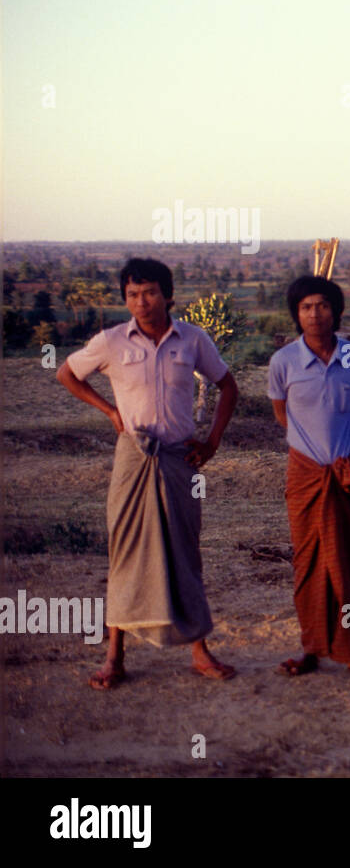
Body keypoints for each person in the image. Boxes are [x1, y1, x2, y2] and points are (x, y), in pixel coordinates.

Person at [56, 258, 239, 689]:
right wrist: (109, 410)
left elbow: (228, 387)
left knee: (185, 548)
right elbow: (67, 373)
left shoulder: (192, 340)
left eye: (150, 292)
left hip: (180, 460)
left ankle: (199, 650)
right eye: (133, 295)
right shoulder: (111, 342)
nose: (142, 302)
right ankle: (114, 657)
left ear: (168, 295)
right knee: (125, 551)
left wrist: (210, 443)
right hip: (132, 460)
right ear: (126, 299)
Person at [268, 276, 350, 678]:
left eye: (322, 306)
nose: (314, 314)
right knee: (309, 564)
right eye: (306, 307)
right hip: (306, 476)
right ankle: (312, 649)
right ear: (296, 314)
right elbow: (281, 413)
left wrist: (339, 453)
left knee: (348, 562)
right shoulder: (283, 362)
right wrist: (310, 450)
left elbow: (346, 406)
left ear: (336, 311)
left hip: (346, 473)